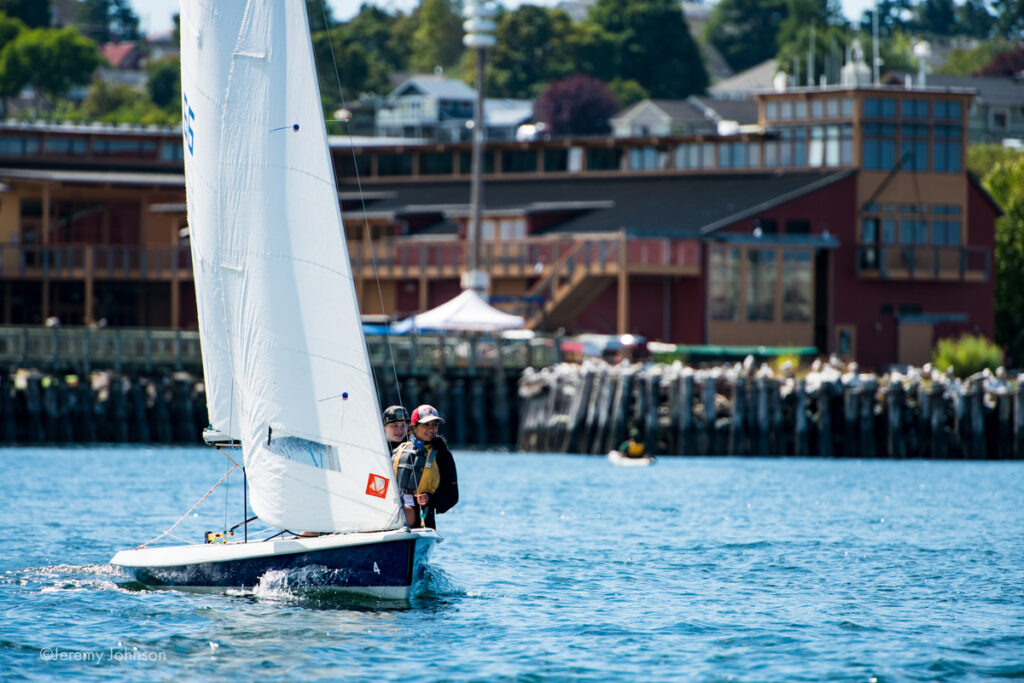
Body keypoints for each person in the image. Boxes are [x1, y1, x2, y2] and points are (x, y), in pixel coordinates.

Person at [392, 404, 458, 529]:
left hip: (422, 519)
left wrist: (430, 499)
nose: (431, 429)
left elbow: (452, 496)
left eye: (434, 425)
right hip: (393, 511)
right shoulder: (399, 449)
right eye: (426, 424)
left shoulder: (443, 455)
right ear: (414, 427)